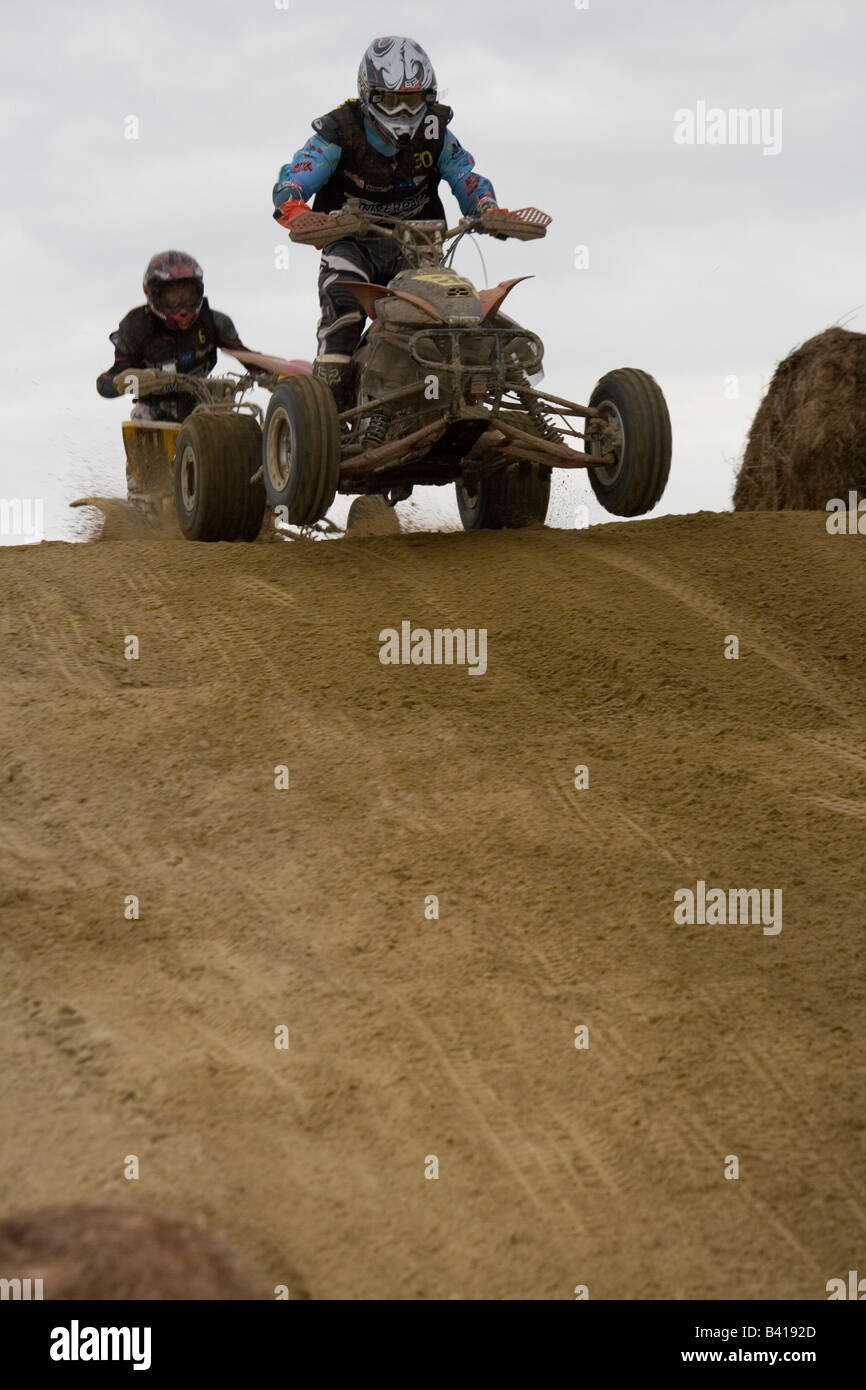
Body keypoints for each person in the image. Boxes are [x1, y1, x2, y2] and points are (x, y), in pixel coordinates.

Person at [272, 36, 507, 408]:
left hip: (416, 242)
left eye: (411, 101)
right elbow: (293, 180)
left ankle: (466, 395)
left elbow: (466, 175)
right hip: (352, 243)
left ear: (426, 98)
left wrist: (487, 208)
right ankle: (328, 421)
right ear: (369, 96)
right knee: (343, 316)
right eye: (392, 101)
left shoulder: (435, 132)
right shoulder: (339, 131)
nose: (402, 113)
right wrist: (297, 210)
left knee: (453, 314)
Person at [96, 249, 249, 424]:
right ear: (151, 294)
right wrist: (130, 382)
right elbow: (104, 385)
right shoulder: (135, 328)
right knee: (142, 418)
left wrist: (278, 375)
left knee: (227, 421)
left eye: (189, 296)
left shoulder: (214, 322)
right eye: (173, 298)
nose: (183, 309)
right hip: (152, 411)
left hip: (202, 404)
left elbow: (250, 360)